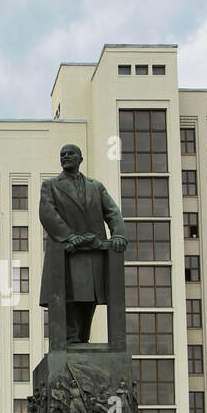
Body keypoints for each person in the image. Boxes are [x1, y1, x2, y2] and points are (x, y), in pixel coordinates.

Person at [37, 144, 128, 343]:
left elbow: (112, 212)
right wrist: (69, 236)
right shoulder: (51, 185)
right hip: (67, 252)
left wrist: (118, 234)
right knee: (70, 296)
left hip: (93, 252)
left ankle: (81, 340)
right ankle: (71, 339)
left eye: (70, 154)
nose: (65, 157)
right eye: (62, 154)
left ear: (80, 158)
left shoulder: (95, 186)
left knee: (90, 297)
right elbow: (48, 214)